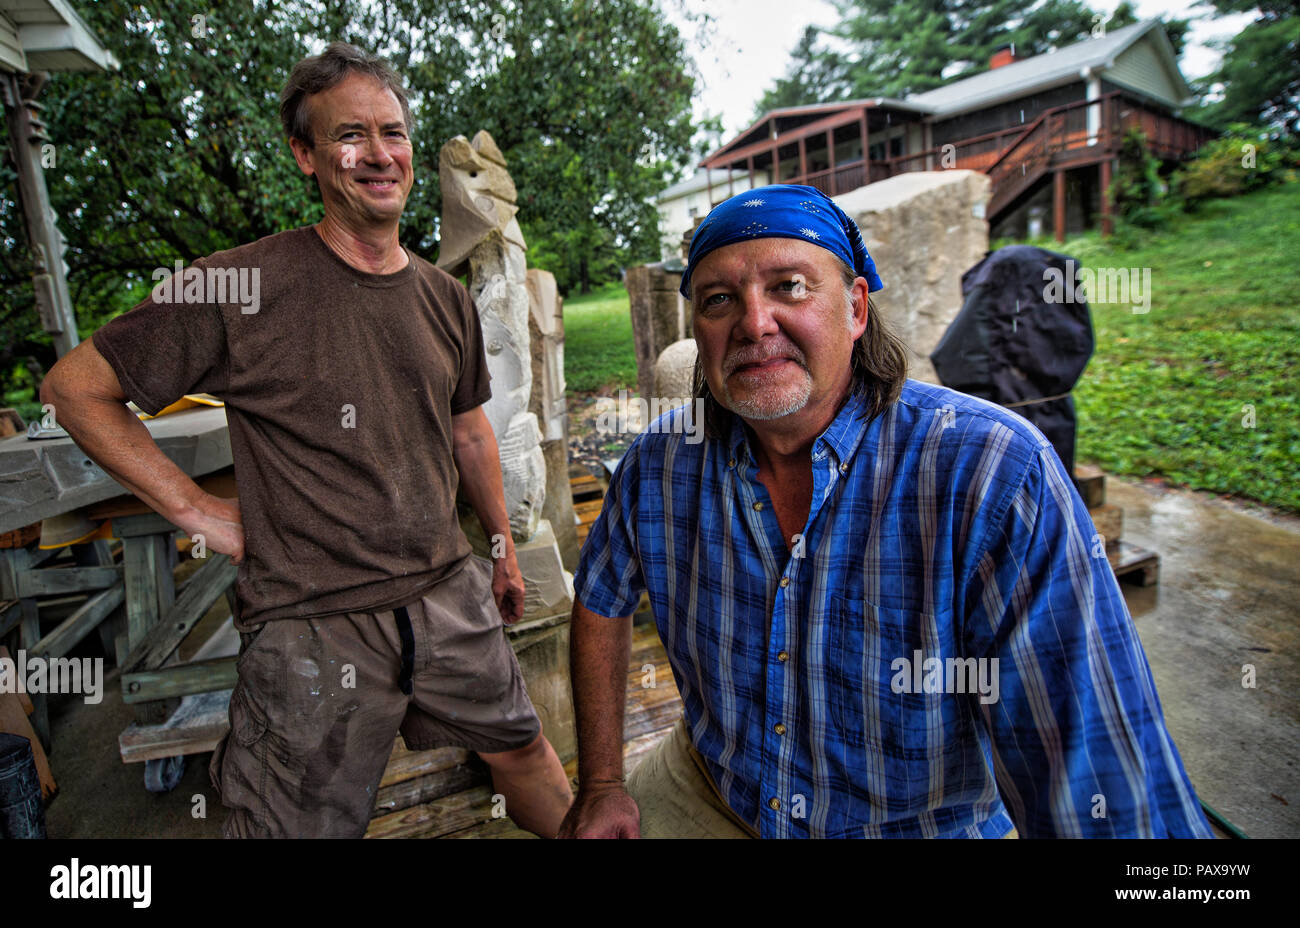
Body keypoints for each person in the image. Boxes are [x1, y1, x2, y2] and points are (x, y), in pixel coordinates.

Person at [559, 184, 1212, 839]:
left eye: (789, 286)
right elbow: (599, 599)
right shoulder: (661, 464)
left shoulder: (994, 474)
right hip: (712, 787)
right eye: (719, 299)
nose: (754, 324)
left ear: (856, 307)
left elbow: (1104, 784)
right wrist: (602, 785)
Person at [41, 42, 573, 838]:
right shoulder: (237, 285)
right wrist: (195, 507)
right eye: (349, 136)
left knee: (526, 751)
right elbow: (74, 388)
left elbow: (468, 433)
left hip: (444, 592)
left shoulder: (442, 297)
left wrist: (498, 544)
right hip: (312, 622)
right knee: (291, 827)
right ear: (305, 155)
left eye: (392, 134)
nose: (377, 155)